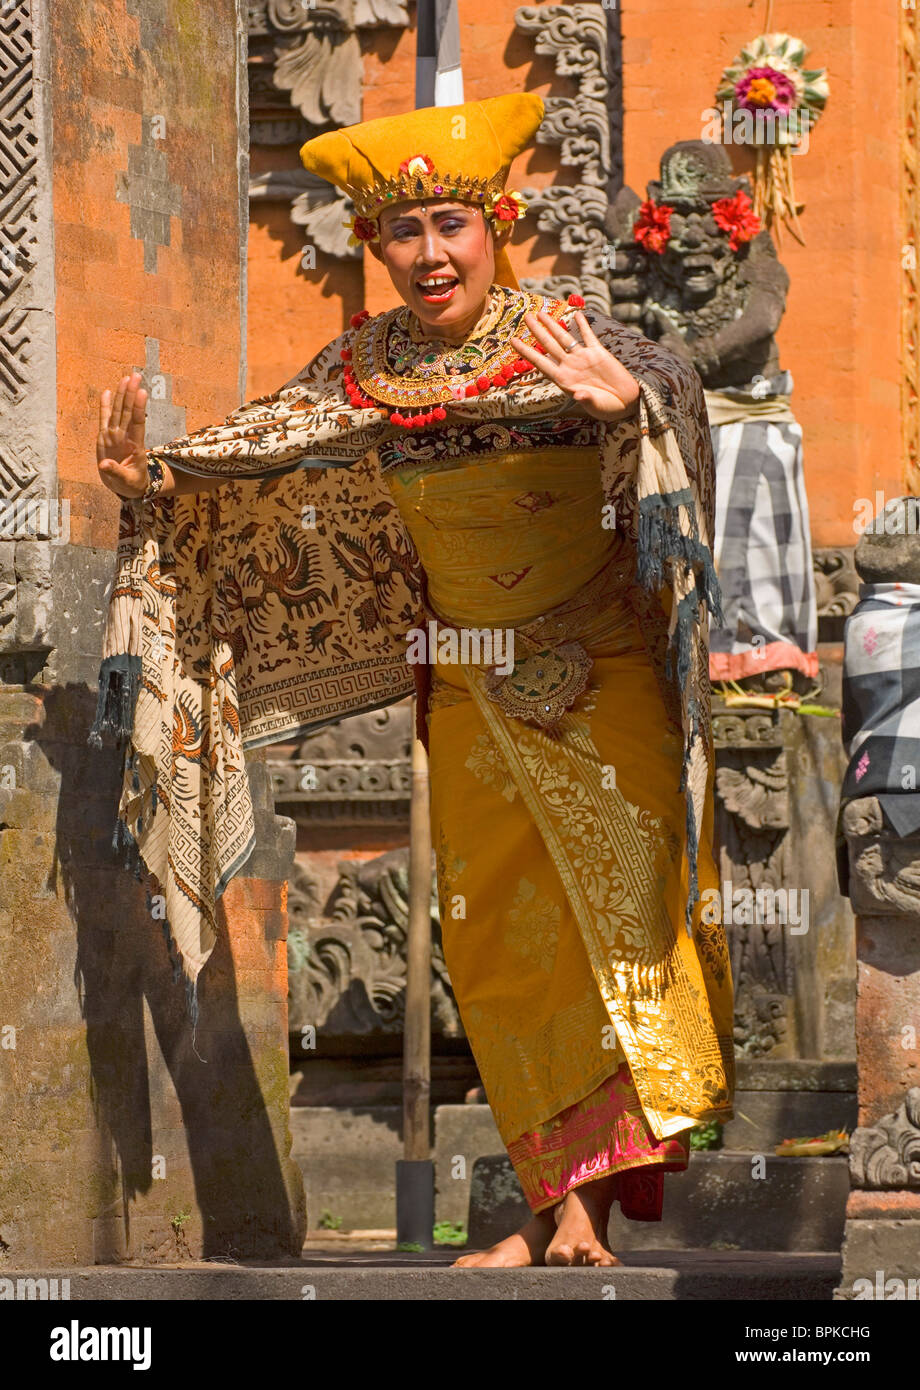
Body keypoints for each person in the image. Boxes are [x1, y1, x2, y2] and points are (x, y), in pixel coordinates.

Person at [93, 93, 734, 1268]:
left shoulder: (573, 337)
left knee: (619, 926)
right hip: (470, 684)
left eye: (451, 224)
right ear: (373, 250)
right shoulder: (359, 366)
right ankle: (544, 1210)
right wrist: (154, 487)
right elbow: (259, 462)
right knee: (497, 943)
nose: (429, 255)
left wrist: (627, 411)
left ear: (494, 227)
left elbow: (674, 417)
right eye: (404, 234)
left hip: (602, 674)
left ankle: (587, 1208)